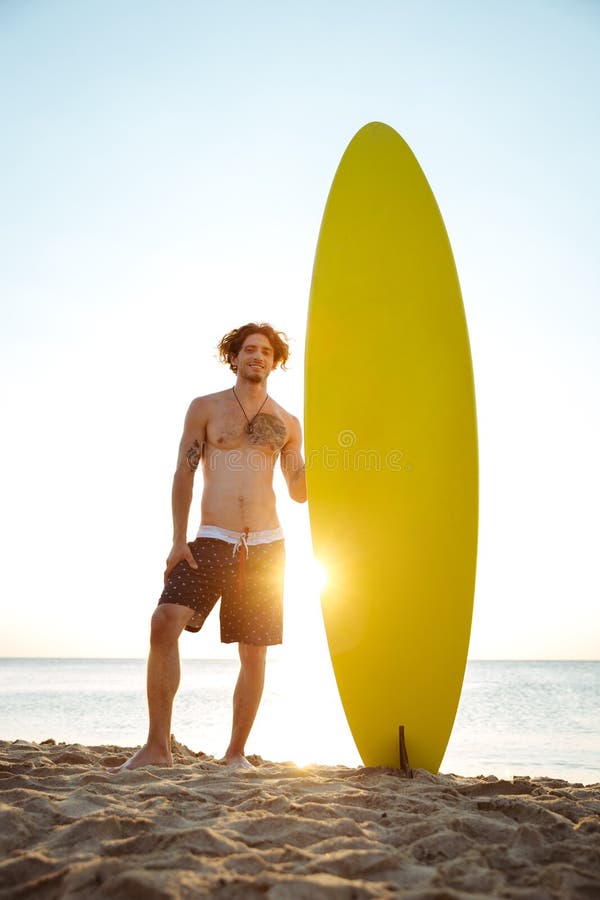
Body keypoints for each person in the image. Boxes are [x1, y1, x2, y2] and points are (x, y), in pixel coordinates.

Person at [111, 323, 306, 771]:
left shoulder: (288, 423)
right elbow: (184, 474)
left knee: (253, 651)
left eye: (266, 351)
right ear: (233, 358)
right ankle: (158, 748)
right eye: (249, 349)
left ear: (275, 362)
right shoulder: (205, 408)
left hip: (265, 545)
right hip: (212, 538)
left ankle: (236, 754)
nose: (257, 356)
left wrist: (320, 459)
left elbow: (298, 491)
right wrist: (179, 540)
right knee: (164, 622)